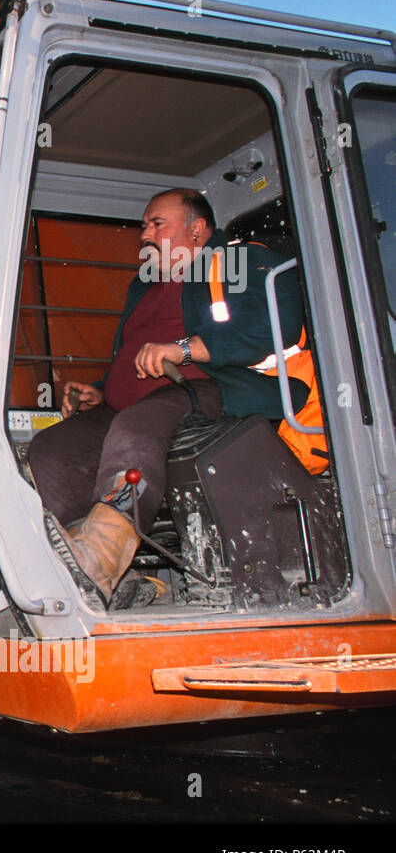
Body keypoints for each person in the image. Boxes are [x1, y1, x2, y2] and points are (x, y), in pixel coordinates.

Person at [27, 188, 305, 603]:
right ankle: (67, 560)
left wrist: (184, 349)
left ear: (197, 229)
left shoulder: (236, 262)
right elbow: (131, 355)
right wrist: (100, 392)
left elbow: (271, 328)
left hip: (208, 388)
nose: (145, 235)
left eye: (157, 224)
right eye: (144, 226)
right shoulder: (144, 284)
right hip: (131, 404)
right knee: (51, 447)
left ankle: (100, 560)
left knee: (136, 426)